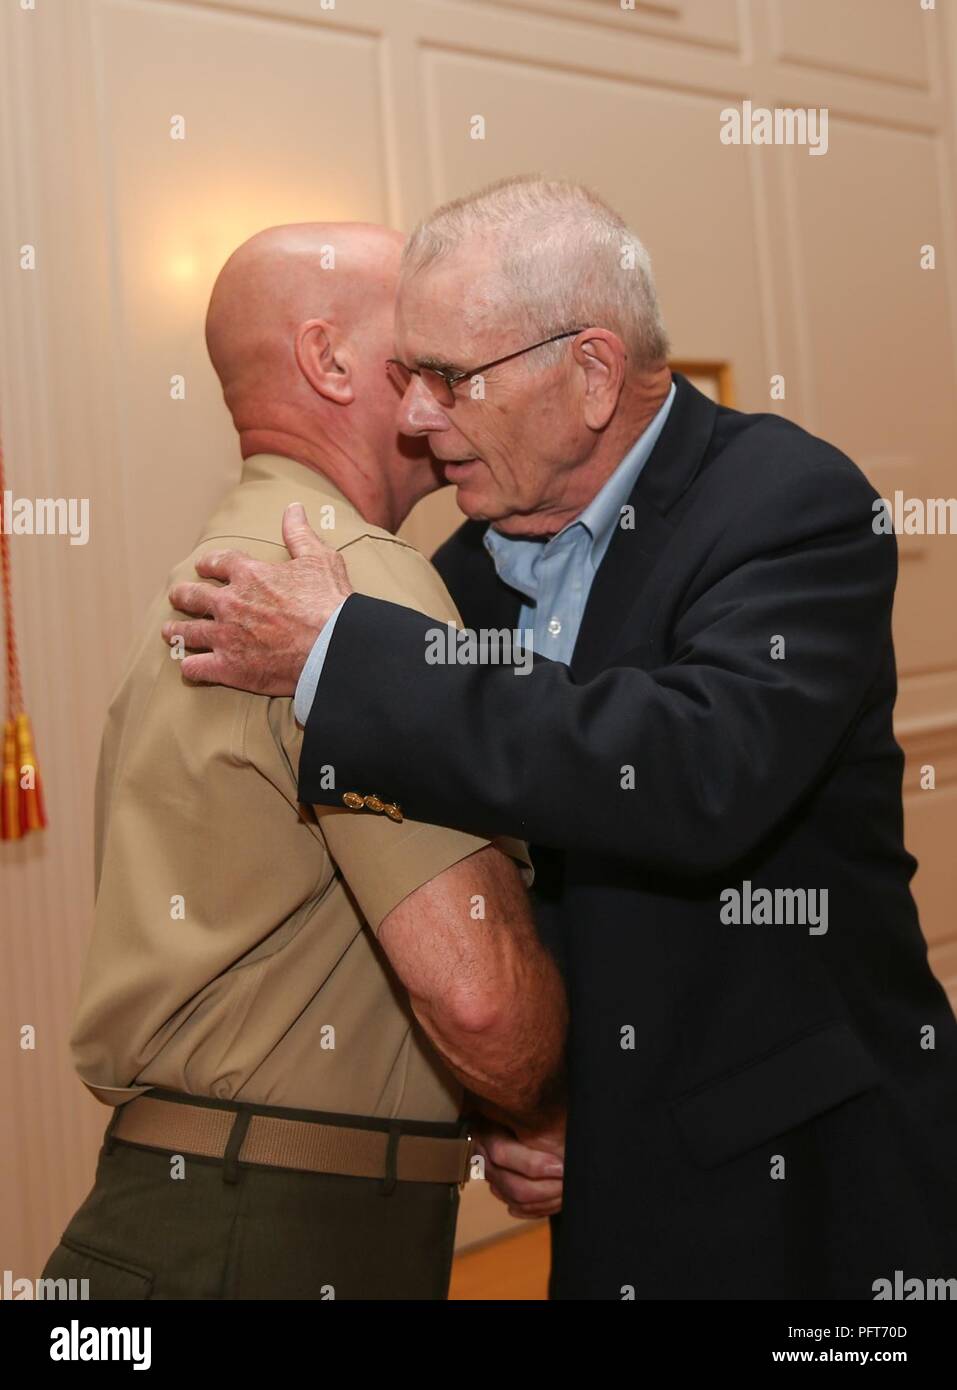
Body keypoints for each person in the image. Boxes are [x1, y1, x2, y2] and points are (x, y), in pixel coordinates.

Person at [163, 179, 957, 1300]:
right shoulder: (458, 575)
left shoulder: (789, 503)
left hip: (814, 1189)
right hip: (613, 1201)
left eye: (449, 378)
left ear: (588, 373)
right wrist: (527, 1108)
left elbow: (695, 769)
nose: (416, 420)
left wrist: (344, 653)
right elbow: (501, 882)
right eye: (409, 377)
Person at [44, 221, 566, 1302]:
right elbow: (484, 1007)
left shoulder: (209, 570)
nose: (443, 390)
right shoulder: (351, 588)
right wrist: (556, 1105)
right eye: (418, 351)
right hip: (281, 1237)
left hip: (161, 1216)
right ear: (328, 360)